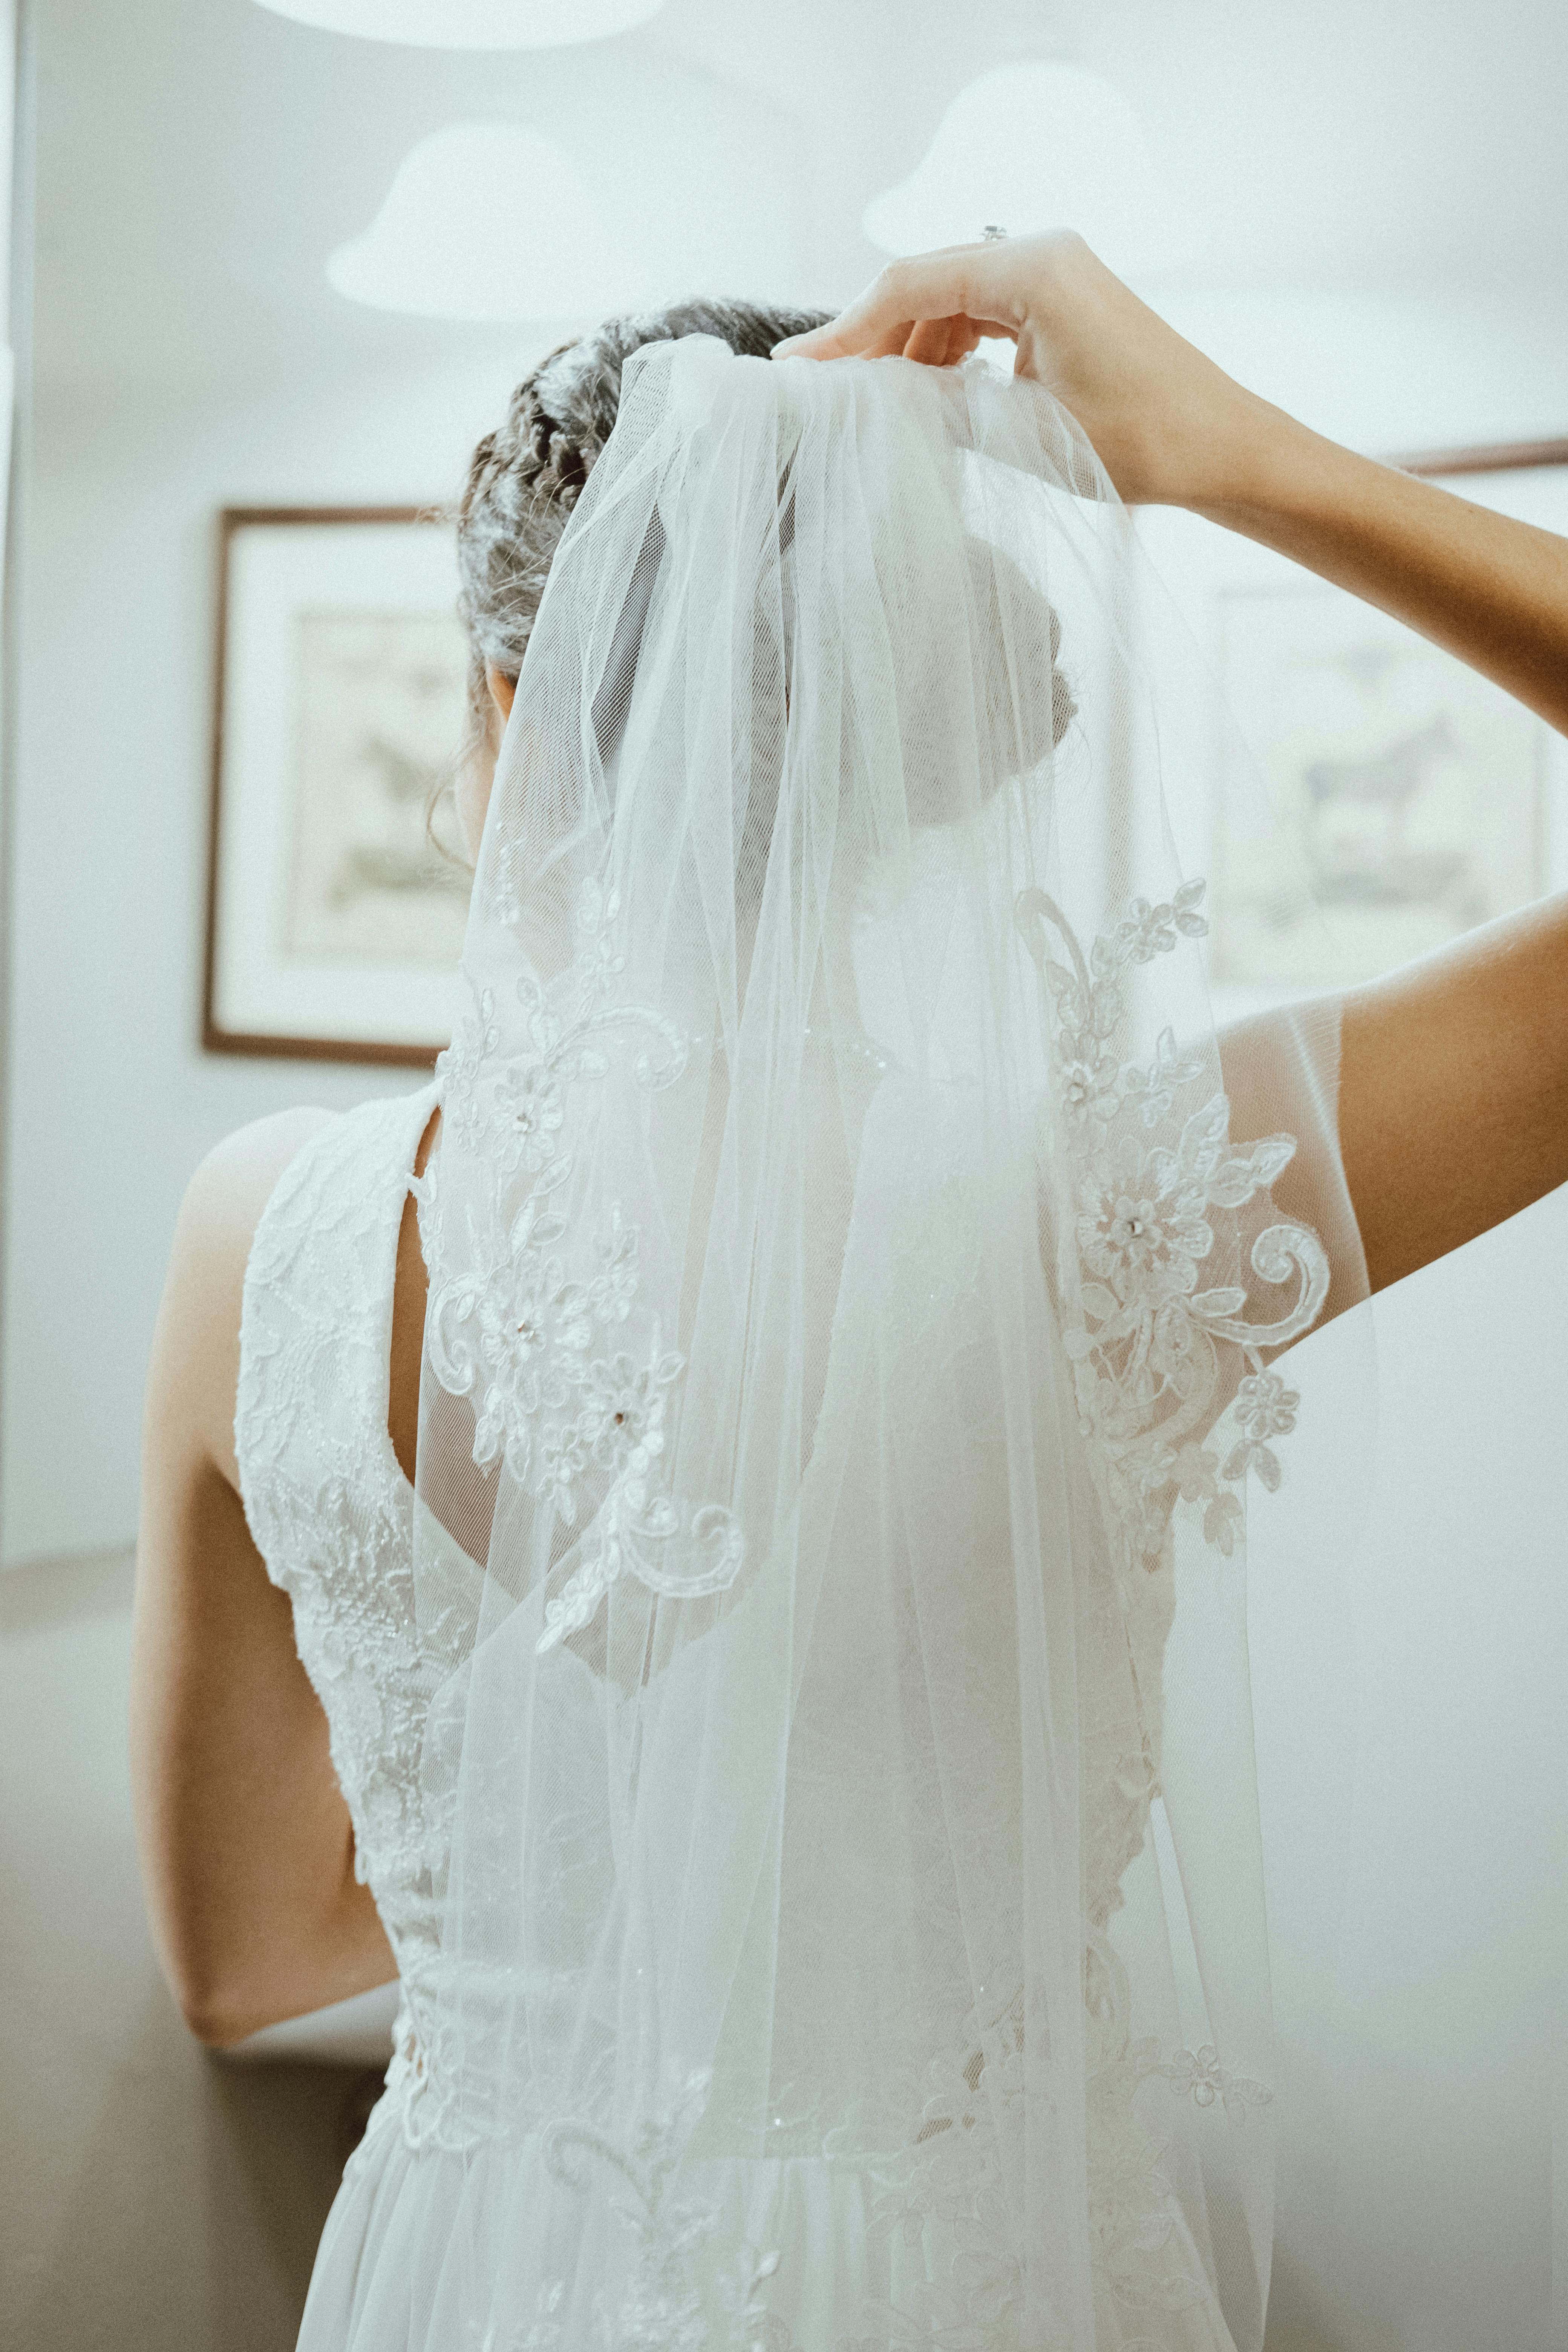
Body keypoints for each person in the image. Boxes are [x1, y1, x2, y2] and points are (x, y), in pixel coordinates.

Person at [130, 238, 1566, 2352]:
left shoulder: (260, 1239)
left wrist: (568, 1945)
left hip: (478, 2285)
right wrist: (1244, 459)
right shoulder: (1126, 1200)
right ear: (941, 736)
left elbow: (245, 1959)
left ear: (510, 718)